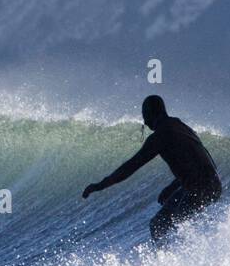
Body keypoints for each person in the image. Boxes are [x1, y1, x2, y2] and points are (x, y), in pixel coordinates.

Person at [82, 94, 221, 243]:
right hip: (209, 184)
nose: (145, 122)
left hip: (200, 188)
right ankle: (172, 257)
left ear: (151, 113)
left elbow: (131, 166)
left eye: (145, 115)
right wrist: (174, 185)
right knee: (159, 223)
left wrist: (101, 185)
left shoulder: (160, 136)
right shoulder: (180, 125)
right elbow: (200, 162)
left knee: (165, 225)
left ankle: (184, 259)